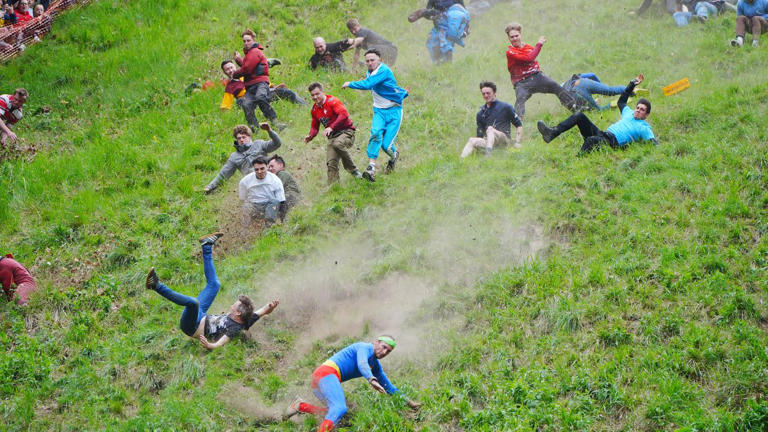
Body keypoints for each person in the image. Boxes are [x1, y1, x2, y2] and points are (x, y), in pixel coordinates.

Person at [145, 233, 279, 350]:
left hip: (191, 326)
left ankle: (156, 285)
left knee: (193, 303)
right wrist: (270, 306)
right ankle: (207, 245)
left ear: (238, 312)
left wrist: (210, 345)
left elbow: (221, 343)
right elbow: (262, 312)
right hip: (202, 315)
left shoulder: (235, 328)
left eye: (235, 305)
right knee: (215, 284)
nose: (232, 305)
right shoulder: (248, 318)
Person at [284, 336, 421, 432]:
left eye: (388, 351)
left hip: (320, 381)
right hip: (326, 373)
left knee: (334, 412)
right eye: (384, 347)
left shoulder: (375, 365)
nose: (384, 352)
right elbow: (362, 364)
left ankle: (300, 406)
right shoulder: (364, 347)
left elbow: (389, 387)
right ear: (376, 342)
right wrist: (371, 379)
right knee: (340, 408)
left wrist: (410, 403)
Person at [537, 74, 657, 153]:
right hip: (603, 134)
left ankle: (579, 161)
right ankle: (551, 133)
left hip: (611, 143)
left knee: (591, 141)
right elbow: (621, 101)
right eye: (638, 107)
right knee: (579, 115)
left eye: (642, 110)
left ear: (646, 115)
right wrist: (631, 84)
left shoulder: (644, 127)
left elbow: (654, 144)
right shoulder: (628, 113)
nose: (638, 110)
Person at [342, 48, 408, 182]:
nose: (370, 63)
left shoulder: (383, 71)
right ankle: (371, 167)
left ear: (380, 60)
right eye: (367, 61)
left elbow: (368, 84)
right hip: (379, 111)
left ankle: (394, 156)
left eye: (373, 60)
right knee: (375, 133)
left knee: (386, 146)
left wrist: (350, 84)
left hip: (394, 111)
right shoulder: (369, 72)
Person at [504, 23, 576, 119]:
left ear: (520, 35)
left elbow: (533, 60)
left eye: (516, 36)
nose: (515, 38)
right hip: (521, 83)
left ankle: (575, 108)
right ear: (509, 38)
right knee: (520, 99)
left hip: (536, 77)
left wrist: (540, 74)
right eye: (512, 37)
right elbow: (529, 58)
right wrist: (539, 44)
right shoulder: (510, 52)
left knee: (556, 86)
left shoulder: (528, 47)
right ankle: (518, 123)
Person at [304, 82, 363, 184]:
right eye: (312, 95)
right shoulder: (314, 109)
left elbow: (344, 114)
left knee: (338, 144)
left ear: (323, 92)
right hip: (332, 137)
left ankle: (354, 171)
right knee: (331, 163)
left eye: (317, 94)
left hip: (346, 132)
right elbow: (314, 126)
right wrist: (311, 135)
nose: (315, 97)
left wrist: (331, 127)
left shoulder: (332, 101)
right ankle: (334, 188)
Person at [203, 123, 281, 194]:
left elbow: (277, 143)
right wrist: (210, 186)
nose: (241, 140)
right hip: (253, 184)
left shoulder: (259, 144)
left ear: (250, 137)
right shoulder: (234, 157)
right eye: (239, 138)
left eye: (244, 137)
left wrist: (269, 130)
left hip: (268, 177)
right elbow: (224, 174)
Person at [232, 29, 285, 131]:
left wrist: (235, 74)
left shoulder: (255, 51)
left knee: (260, 97)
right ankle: (254, 129)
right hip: (250, 86)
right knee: (246, 104)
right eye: (244, 41)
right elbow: (248, 67)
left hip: (260, 83)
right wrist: (239, 60)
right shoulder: (249, 54)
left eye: (248, 40)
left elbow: (246, 69)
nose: (246, 43)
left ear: (253, 40)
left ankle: (276, 123)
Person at [461, 81, 523, 158]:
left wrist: (517, 142)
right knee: (471, 140)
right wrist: (477, 145)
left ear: (494, 93)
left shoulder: (506, 107)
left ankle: (488, 154)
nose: (486, 95)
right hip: (489, 142)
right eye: (483, 94)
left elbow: (519, 125)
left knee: (490, 129)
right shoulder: (480, 114)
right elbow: (480, 135)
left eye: (488, 93)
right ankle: (461, 160)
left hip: (504, 139)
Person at [219, 60, 305, 111]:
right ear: (224, 72)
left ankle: (304, 106)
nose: (230, 70)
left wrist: (273, 87)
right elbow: (225, 107)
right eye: (227, 69)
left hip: (264, 93)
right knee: (240, 101)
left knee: (286, 92)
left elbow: (262, 83)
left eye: (231, 67)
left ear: (235, 66)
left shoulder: (246, 74)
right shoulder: (230, 87)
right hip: (251, 101)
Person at [238, 155, 286, 226]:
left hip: (269, 206)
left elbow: (282, 201)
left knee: (275, 201)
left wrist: (283, 220)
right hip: (253, 205)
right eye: (256, 169)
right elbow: (242, 199)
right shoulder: (245, 181)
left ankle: (269, 225)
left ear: (267, 167)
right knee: (246, 205)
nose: (259, 172)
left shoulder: (275, 180)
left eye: (262, 168)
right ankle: (246, 228)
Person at [562, 73, 630, 111]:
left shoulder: (562, 96)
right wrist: (601, 86)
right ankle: (632, 90)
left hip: (577, 93)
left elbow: (576, 108)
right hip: (583, 82)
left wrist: (590, 107)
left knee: (598, 110)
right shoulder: (572, 78)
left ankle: (618, 103)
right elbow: (592, 75)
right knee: (611, 90)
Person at [267, 155, 301, 219]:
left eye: (272, 166)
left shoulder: (282, 174)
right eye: (269, 167)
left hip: (291, 198)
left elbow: (274, 189)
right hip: (289, 200)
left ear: (280, 165)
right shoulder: (276, 177)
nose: (270, 169)